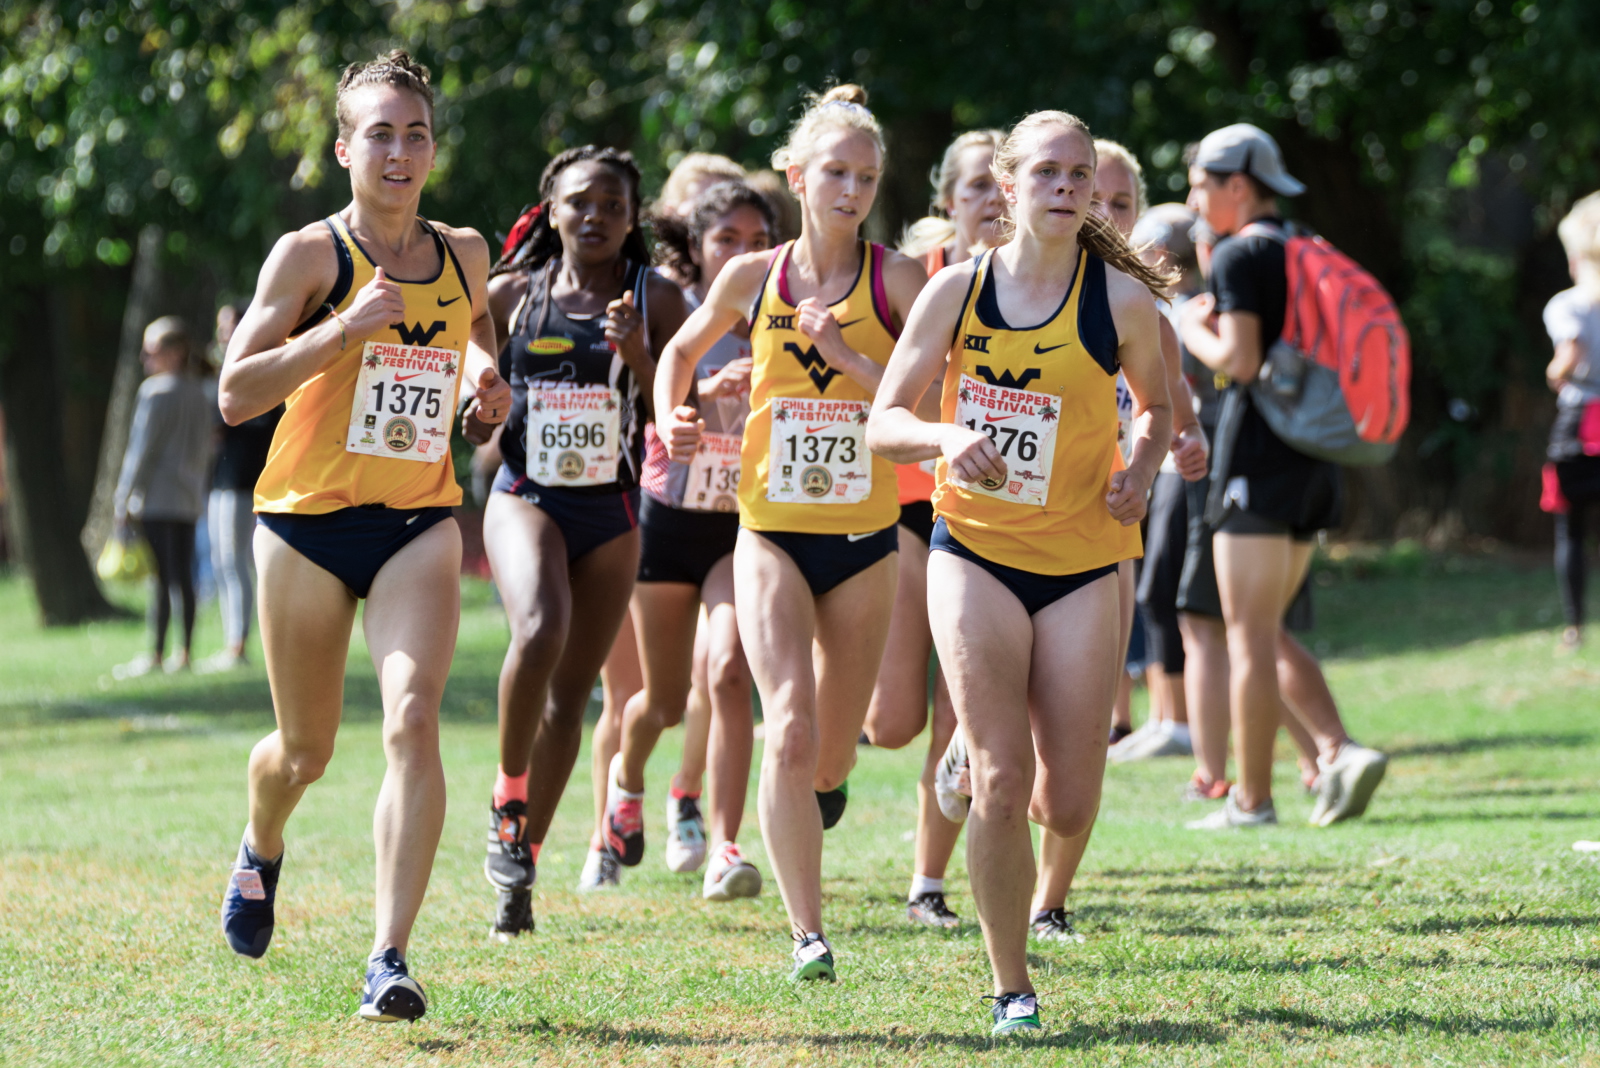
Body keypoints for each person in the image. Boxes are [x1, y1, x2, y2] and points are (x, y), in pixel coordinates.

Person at [216, 50, 511, 1023]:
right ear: (344, 149)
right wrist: (345, 329)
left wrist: (481, 389)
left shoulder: (465, 253)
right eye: (379, 134)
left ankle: (389, 957)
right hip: (305, 524)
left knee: (413, 718)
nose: (399, 152)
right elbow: (235, 393)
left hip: (416, 521)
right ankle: (262, 842)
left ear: (432, 148)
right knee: (305, 752)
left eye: (415, 134)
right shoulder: (311, 256)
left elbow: (474, 340)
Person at [870, 110, 1173, 1035]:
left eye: (1079, 175)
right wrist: (945, 435)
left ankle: (975, 751)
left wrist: (1140, 469)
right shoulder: (956, 291)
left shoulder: (1119, 300)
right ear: (1008, 185)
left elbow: (1158, 410)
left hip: (1081, 563)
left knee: (1065, 802)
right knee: (1004, 783)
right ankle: (1013, 987)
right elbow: (885, 422)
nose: (1066, 188)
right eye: (1047, 172)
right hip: (974, 553)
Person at [656, 84, 926, 981]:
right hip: (769, 527)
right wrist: (672, 415)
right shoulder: (751, 276)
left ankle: (820, 794)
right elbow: (679, 352)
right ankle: (808, 933)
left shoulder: (897, 280)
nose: (851, 191)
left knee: (831, 756)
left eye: (866, 177)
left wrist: (846, 356)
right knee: (791, 729)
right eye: (835, 173)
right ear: (797, 177)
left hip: (864, 539)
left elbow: (930, 392)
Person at [477, 145, 687, 931]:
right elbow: (476, 406)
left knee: (570, 700)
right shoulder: (512, 295)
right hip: (526, 495)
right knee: (539, 629)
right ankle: (508, 793)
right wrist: (477, 412)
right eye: (579, 203)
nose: (594, 216)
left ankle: (519, 867)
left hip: (613, 512)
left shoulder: (655, 296)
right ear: (552, 210)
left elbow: (682, 412)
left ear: (632, 219)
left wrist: (638, 353)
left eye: (611, 206)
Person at [1178, 123, 1387, 830]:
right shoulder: (1300, 244)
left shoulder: (1240, 253)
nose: (1194, 200)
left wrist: (1189, 326)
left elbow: (1238, 360)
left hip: (1256, 462)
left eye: (1201, 186)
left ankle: (1253, 801)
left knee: (1246, 637)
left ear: (1237, 185)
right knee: (1263, 632)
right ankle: (1336, 752)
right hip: (1312, 460)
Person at [1025, 144, 1208, 947]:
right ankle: (974, 754)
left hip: (1105, 524)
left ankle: (1051, 900)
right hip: (1008, 529)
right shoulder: (1011, 290)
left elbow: (1170, 397)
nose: (1101, 212)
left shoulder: (1141, 308)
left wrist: (1185, 442)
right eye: (1091, 196)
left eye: (1121, 202)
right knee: (1009, 713)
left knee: (1086, 720)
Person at [604, 181, 776, 900]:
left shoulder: (788, 310)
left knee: (730, 671)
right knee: (663, 701)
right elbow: (651, 396)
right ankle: (627, 779)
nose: (743, 253)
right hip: (671, 515)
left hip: (742, 523)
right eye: (726, 239)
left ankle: (725, 847)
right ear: (698, 247)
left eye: (757, 240)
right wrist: (700, 396)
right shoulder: (674, 307)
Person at [867, 128, 1005, 930]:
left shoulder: (1044, 284)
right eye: (975, 186)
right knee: (891, 723)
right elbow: (885, 398)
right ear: (947, 202)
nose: (992, 200)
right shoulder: (916, 279)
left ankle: (927, 884)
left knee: (960, 710)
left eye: (1001, 183)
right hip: (903, 503)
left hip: (988, 513)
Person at [112, 316, 215, 678]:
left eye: (151, 350)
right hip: (189, 498)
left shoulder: (154, 392)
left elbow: (140, 451)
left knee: (160, 578)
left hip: (157, 498)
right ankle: (184, 653)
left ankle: (155, 655)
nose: (145, 358)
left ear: (174, 353)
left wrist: (123, 498)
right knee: (184, 577)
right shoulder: (201, 393)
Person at [201, 301, 281, 673]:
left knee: (239, 562)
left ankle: (240, 644)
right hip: (221, 479)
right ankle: (231, 641)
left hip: (248, 480)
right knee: (222, 562)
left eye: (228, 326)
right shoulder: (222, 370)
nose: (222, 335)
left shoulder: (264, 367)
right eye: (220, 328)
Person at [1542, 191, 1600, 654]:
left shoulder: (1569, 304)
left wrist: (1554, 373)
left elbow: (1570, 355)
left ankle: (1575, 627)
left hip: (1583, 426)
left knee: (1572, 530)